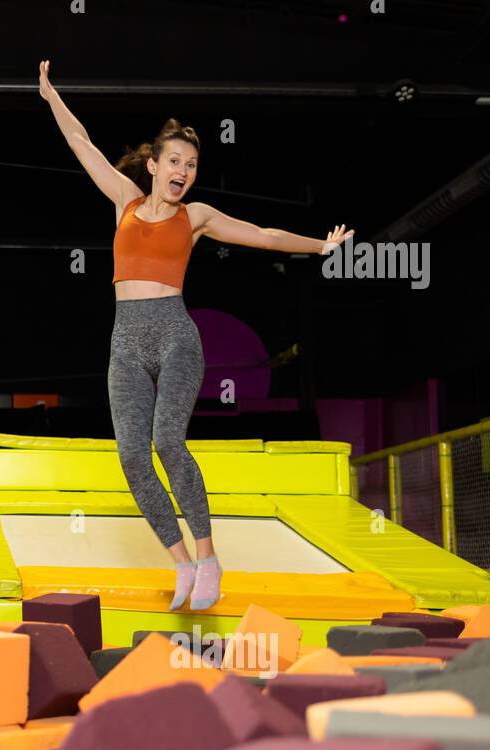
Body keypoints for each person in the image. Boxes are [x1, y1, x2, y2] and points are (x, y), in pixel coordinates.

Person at [38, 60, 353, 611]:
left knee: (168, 443)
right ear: (154, 165)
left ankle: (209, 560)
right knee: (133, 457)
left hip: (175, 335)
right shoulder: (125, 202)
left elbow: (263, 234)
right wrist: (50, 96)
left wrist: (319, 247)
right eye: (175, 161)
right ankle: (181, 563)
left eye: (192, 164)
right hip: (125, 342)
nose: (183, 171)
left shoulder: (198, 215)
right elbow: (80, 140)